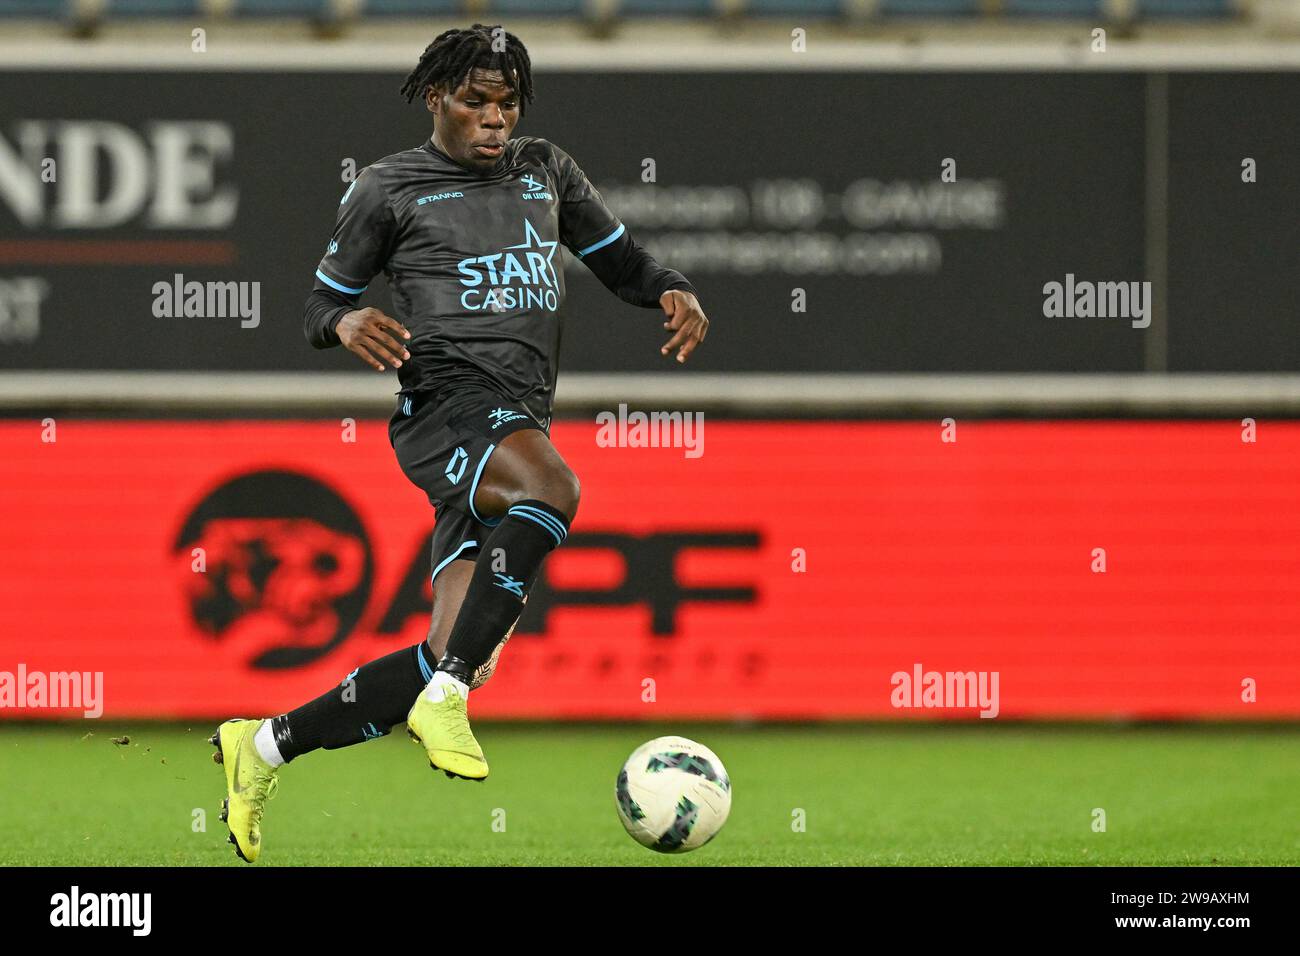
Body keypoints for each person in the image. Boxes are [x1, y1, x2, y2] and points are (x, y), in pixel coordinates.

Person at [209, 23, 709, 863]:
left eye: (507, 103)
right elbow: (314, 311)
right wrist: (347, 319)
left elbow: (621, 262)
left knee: (450, 650)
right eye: (475, 101)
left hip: (515, 418)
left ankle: (259, 748)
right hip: (443, 403)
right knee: (554, 491)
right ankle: (446, 697)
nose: (494, 118)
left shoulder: (546, 170)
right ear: (436, 98)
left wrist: (672, 287)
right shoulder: (388, 188)